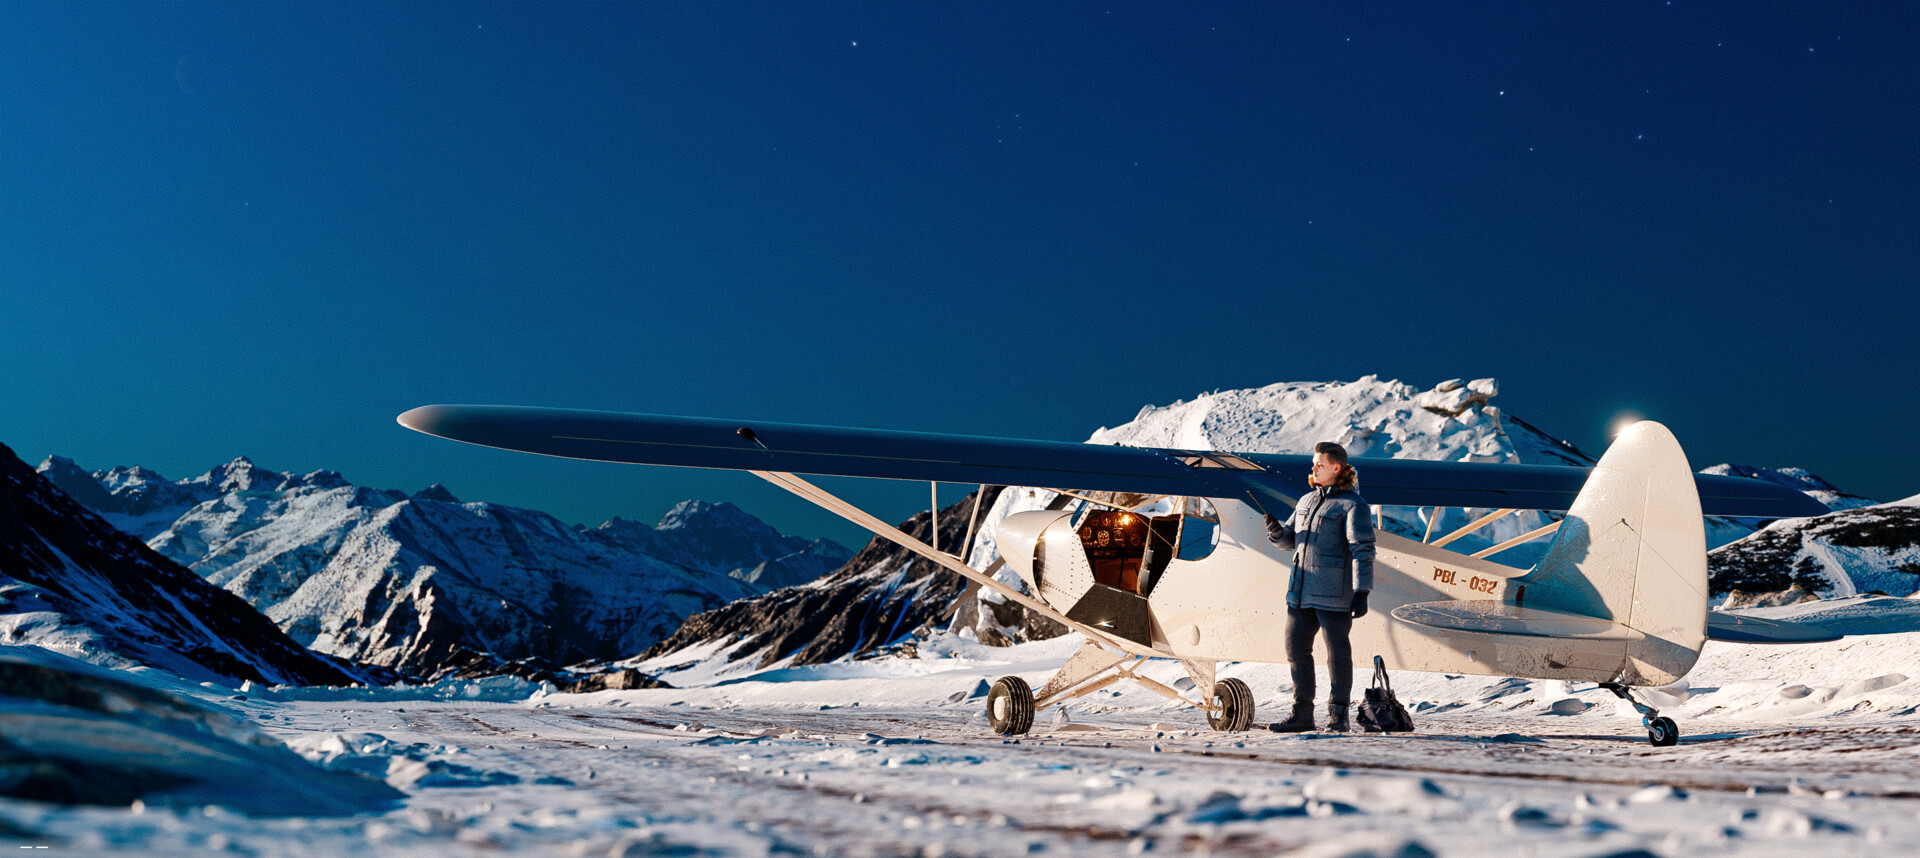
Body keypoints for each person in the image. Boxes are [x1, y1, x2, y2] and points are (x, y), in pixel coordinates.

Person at [1264, 441, 1375, 732]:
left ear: (1336, 468)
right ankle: (1302, 715)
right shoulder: (1305, 501)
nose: (1313, 467)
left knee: (1337, 655)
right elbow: (1291, 540)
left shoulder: (1354, 506)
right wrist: (1277, 534)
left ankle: (1339, 718)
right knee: (1295, 650)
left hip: (1334, 595)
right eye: (1314, 463)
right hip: (1300, 592)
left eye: (1320, 464)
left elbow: (1363, 549)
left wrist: (1362, 591)